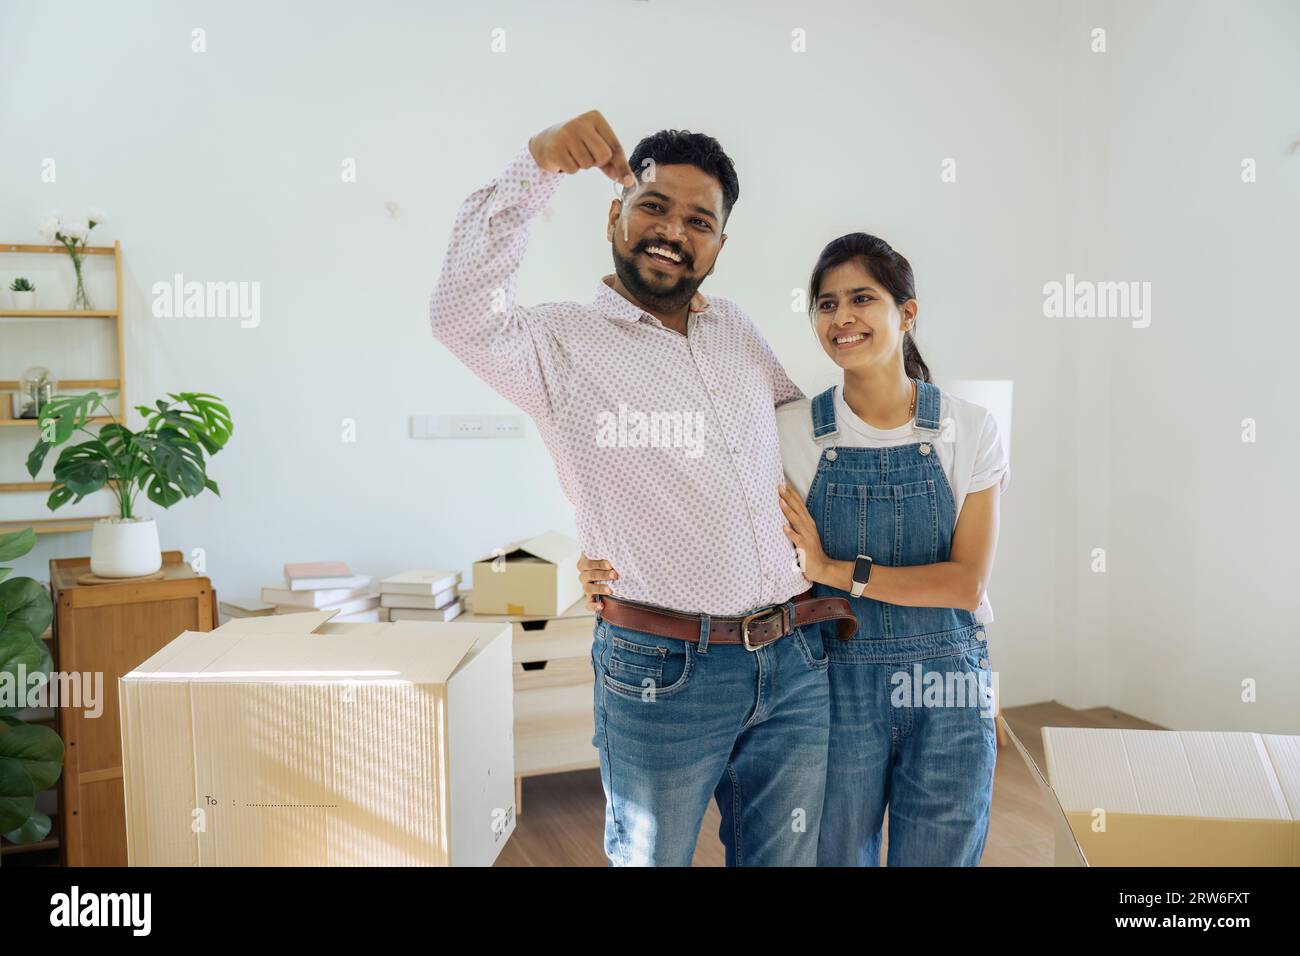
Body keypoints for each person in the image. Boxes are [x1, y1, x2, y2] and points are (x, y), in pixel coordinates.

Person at [429, 110, 855, 867]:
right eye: (653, 206)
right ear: (614, 215)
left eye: (699, 220)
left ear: (719, 245)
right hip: (664, 671)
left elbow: (800, 439)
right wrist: (538, 165)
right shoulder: (554, 342)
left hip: (794, 658)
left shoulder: (737, 331)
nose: (672, 231)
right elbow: (459, 315)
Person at [580, 232, 1008, 866]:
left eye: (862, 298)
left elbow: (964, 584)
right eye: (826, 304)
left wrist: (834, 570)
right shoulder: (789, 430)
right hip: (834, 680)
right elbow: (693, 494)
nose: (842, 318)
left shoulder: (968, 429)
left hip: (946, 686)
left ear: (906, 312)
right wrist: (602, 556)